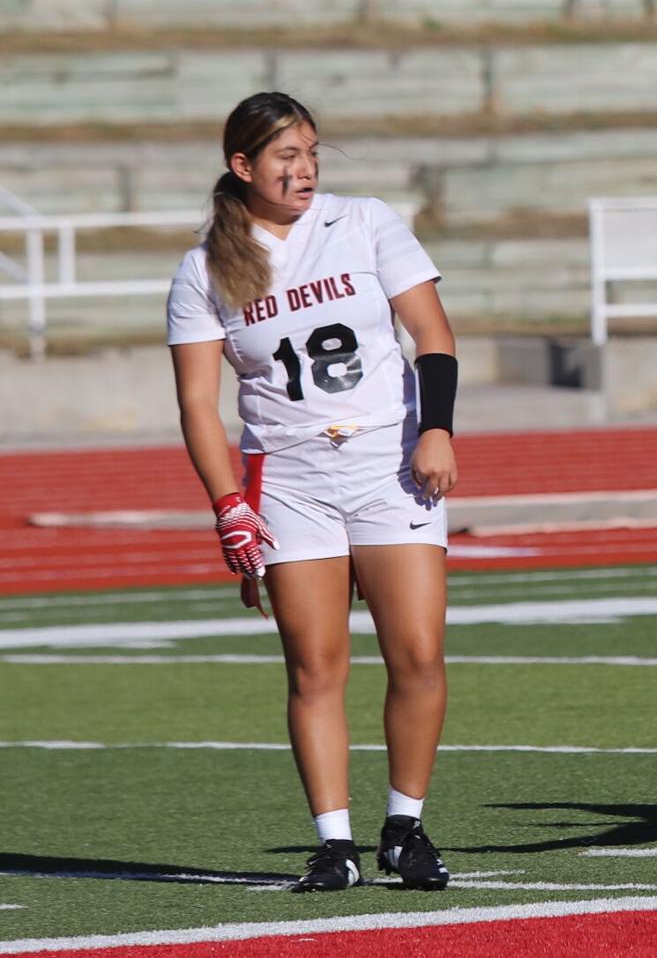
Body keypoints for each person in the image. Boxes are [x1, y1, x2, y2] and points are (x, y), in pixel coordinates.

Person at [167, 92, 459, 892]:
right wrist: (229, 503)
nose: (304, 169)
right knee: (315, 665)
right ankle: (334, 843)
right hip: (289, 475)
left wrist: (437, 428)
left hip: (387, 457)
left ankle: (405, 826)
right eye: (285, 157)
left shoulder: (363, 221)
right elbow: (199, 403)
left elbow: (431, 334)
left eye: (311, 152)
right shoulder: (204, 267)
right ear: (243, 167)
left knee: (419, 653)